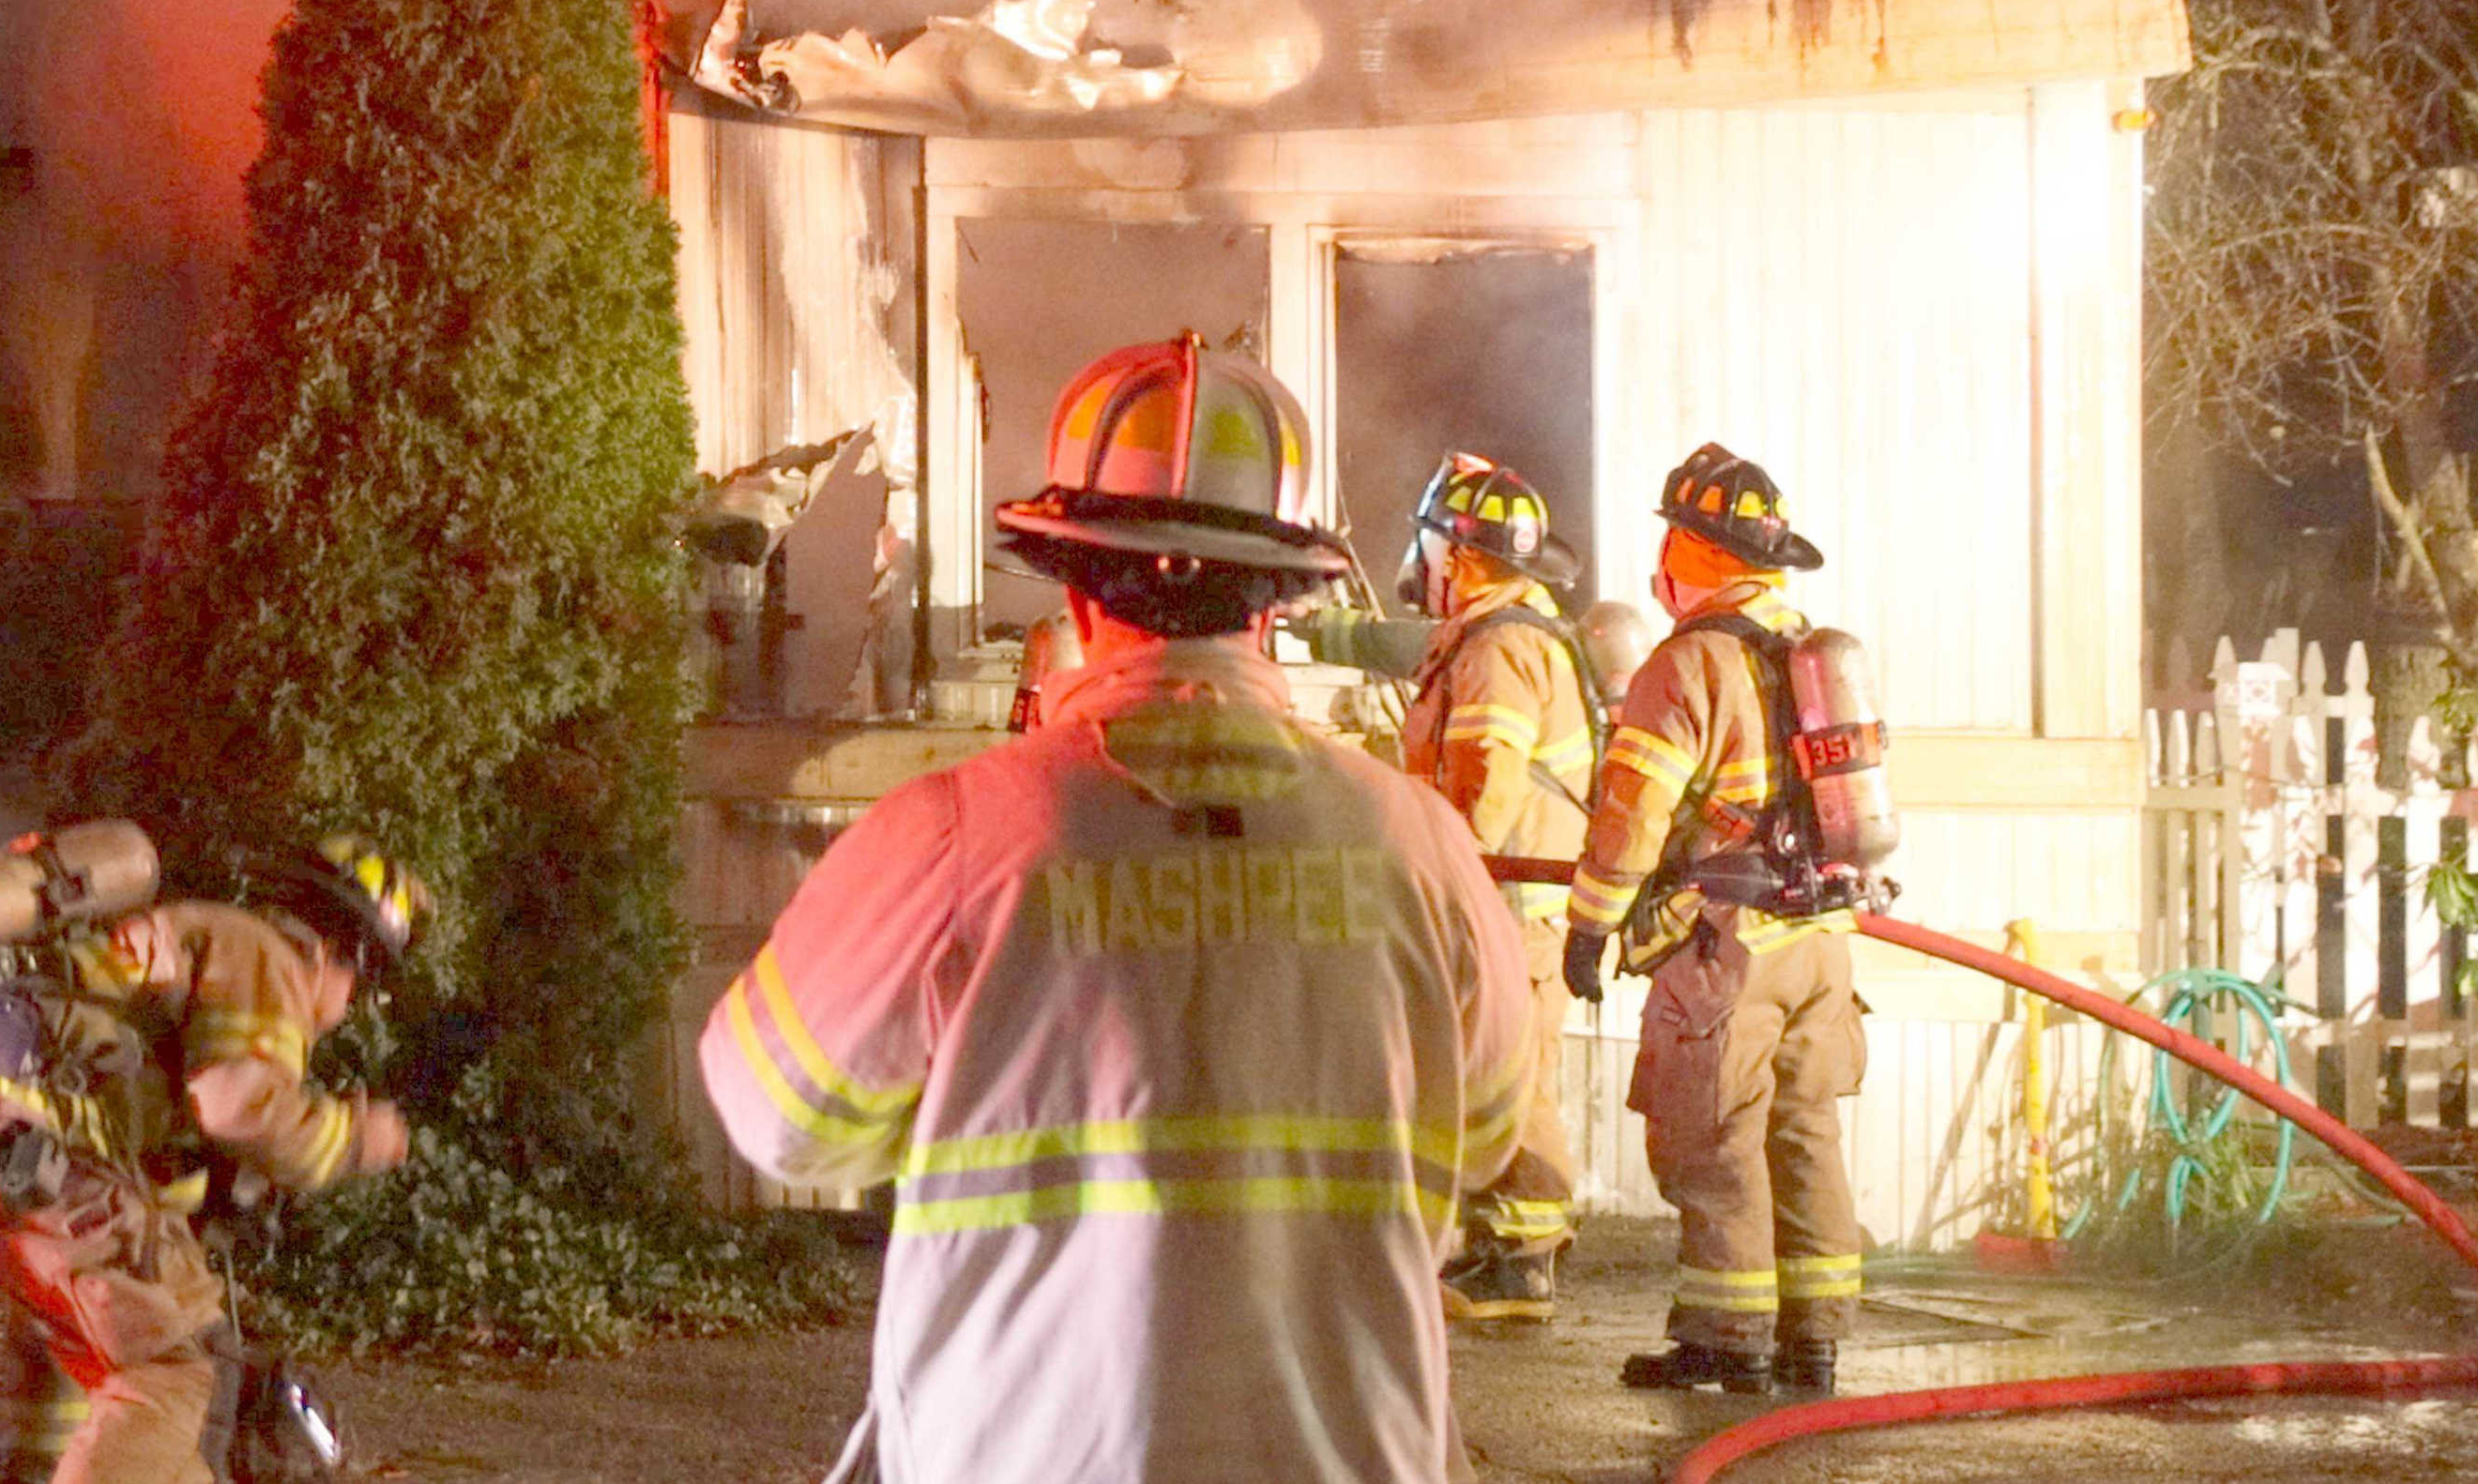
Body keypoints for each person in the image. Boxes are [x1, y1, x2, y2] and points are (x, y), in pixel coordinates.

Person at [703, 335, 1532, 1484]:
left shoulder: (953, 835)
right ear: (1278, 603)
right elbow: (1485, 1138)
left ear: (1077, 591)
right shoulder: (1419, 846)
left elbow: (778, 1116)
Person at [0, 837, 423, 1483]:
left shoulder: (200, 936)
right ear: (332, 952)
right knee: (173, 1367)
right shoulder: (268, 957)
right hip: (18, 1128)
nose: (346, 1012)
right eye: (361, 990)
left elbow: (142, 1122)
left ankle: (38, 1470)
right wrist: (350, 1136)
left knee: (84, 1355)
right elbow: (235, 1103)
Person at [1561, 444, 1867, 1395]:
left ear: (1697, 553)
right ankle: (1811, 1342)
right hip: (1820, 938)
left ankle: (1727, 1342)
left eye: (1670, 538)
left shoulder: (1687, 662)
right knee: (1803, 1133)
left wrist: (1588, 925)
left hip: (1727, 941)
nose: (1660, 559)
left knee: (1715, 1139)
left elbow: (1631, 815)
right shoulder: (1807, 653)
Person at [1391, 452, 1601, 1322]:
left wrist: (1438, 868)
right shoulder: (1495, 633)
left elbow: (1490, 788)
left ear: (1465, 555)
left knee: (1515, 1075)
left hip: (1508, 907)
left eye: (1435, 544)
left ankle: (1523, 1258)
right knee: (1498, 1071)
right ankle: (1502, 1242)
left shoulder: (1501, 648)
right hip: (1503, 904)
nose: (1425, 561)